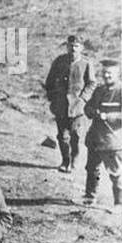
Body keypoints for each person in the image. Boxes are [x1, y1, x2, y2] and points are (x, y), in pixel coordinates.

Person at [43, 34, 95, 172]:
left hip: (78, 107)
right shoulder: (59, 61)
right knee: (62, 136)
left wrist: (83, 98)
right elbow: (49, 81)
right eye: (70, 45)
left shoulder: (86, 63)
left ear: (81, 48)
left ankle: (75, 160)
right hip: (61, 106)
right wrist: (53, 98)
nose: (73, 48)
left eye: (76, 46)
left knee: (76, 136)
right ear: (67, 46)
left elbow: (91, 83)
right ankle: (65, 161)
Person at [82, 60, 122, 209]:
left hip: (112, 140)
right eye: (104, 72)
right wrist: (91, 111)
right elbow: (88, 107)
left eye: (110, 73)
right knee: (92, 169)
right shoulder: (99, 90)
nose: (106, 75)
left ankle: (119, 203)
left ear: (118, 74)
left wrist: (109, 117)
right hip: (95, 138)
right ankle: (90, 197)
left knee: (116, 173)